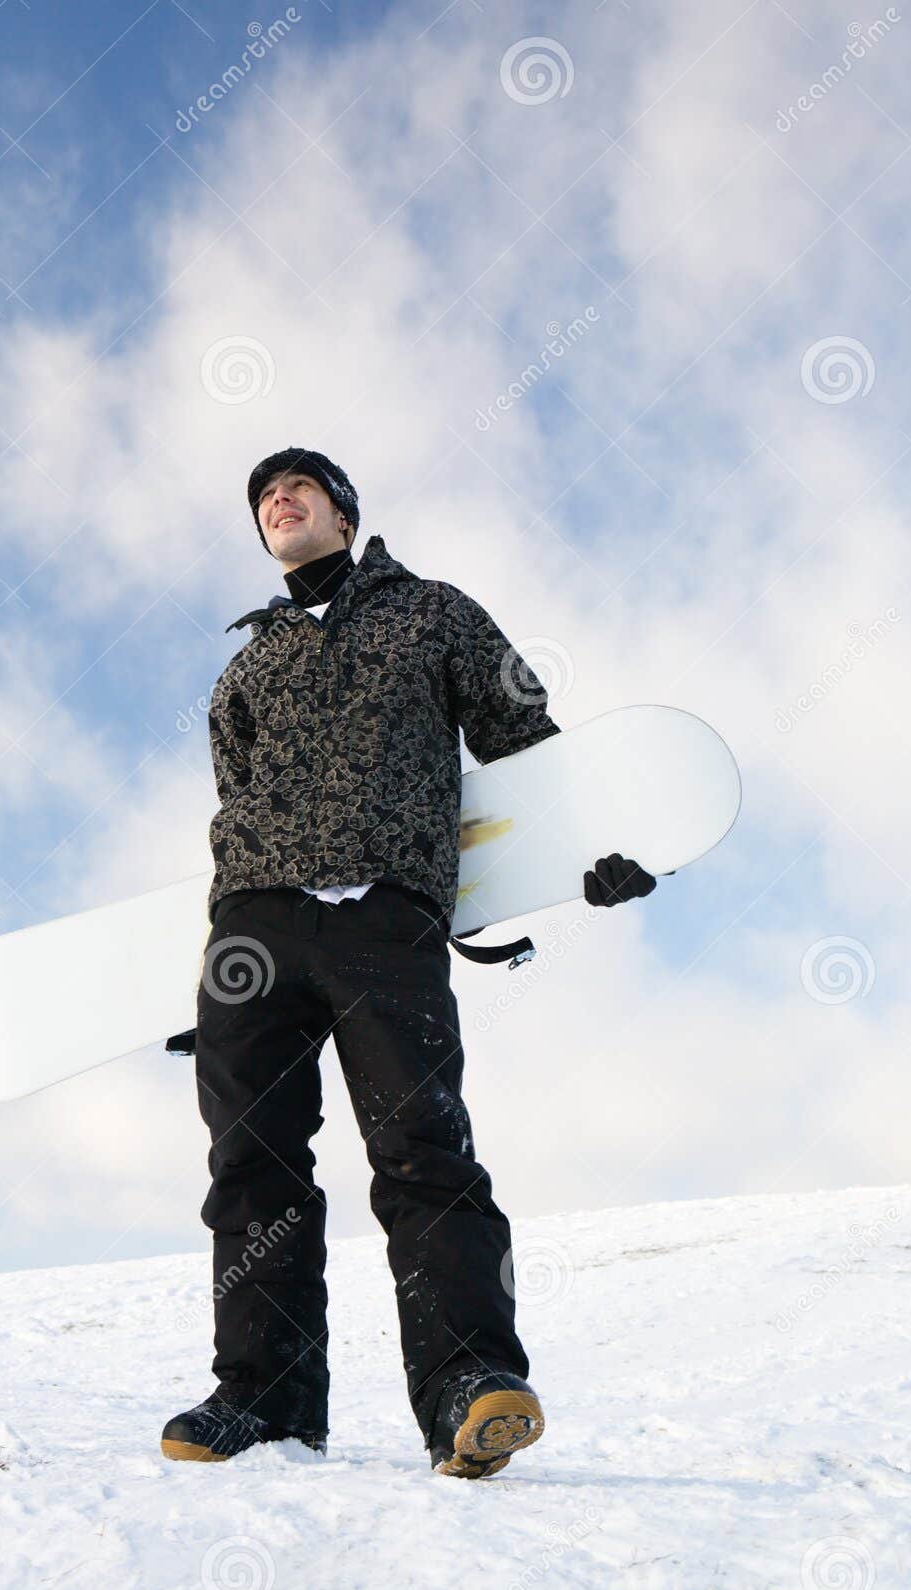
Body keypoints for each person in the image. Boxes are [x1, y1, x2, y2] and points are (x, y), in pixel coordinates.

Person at [161, 447, 658, 1478]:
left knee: (423, 1149)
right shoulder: (242, 669)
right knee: (250, 1170)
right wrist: (209, 980)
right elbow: (233, 810)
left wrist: (586, 853)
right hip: (251, 928)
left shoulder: (432, 611)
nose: (275, 501)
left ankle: (470, 1383)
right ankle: (261, 1398)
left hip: (386, 915)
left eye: (296, 487)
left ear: (343, 514)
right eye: (262, 498)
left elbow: (526, 739)